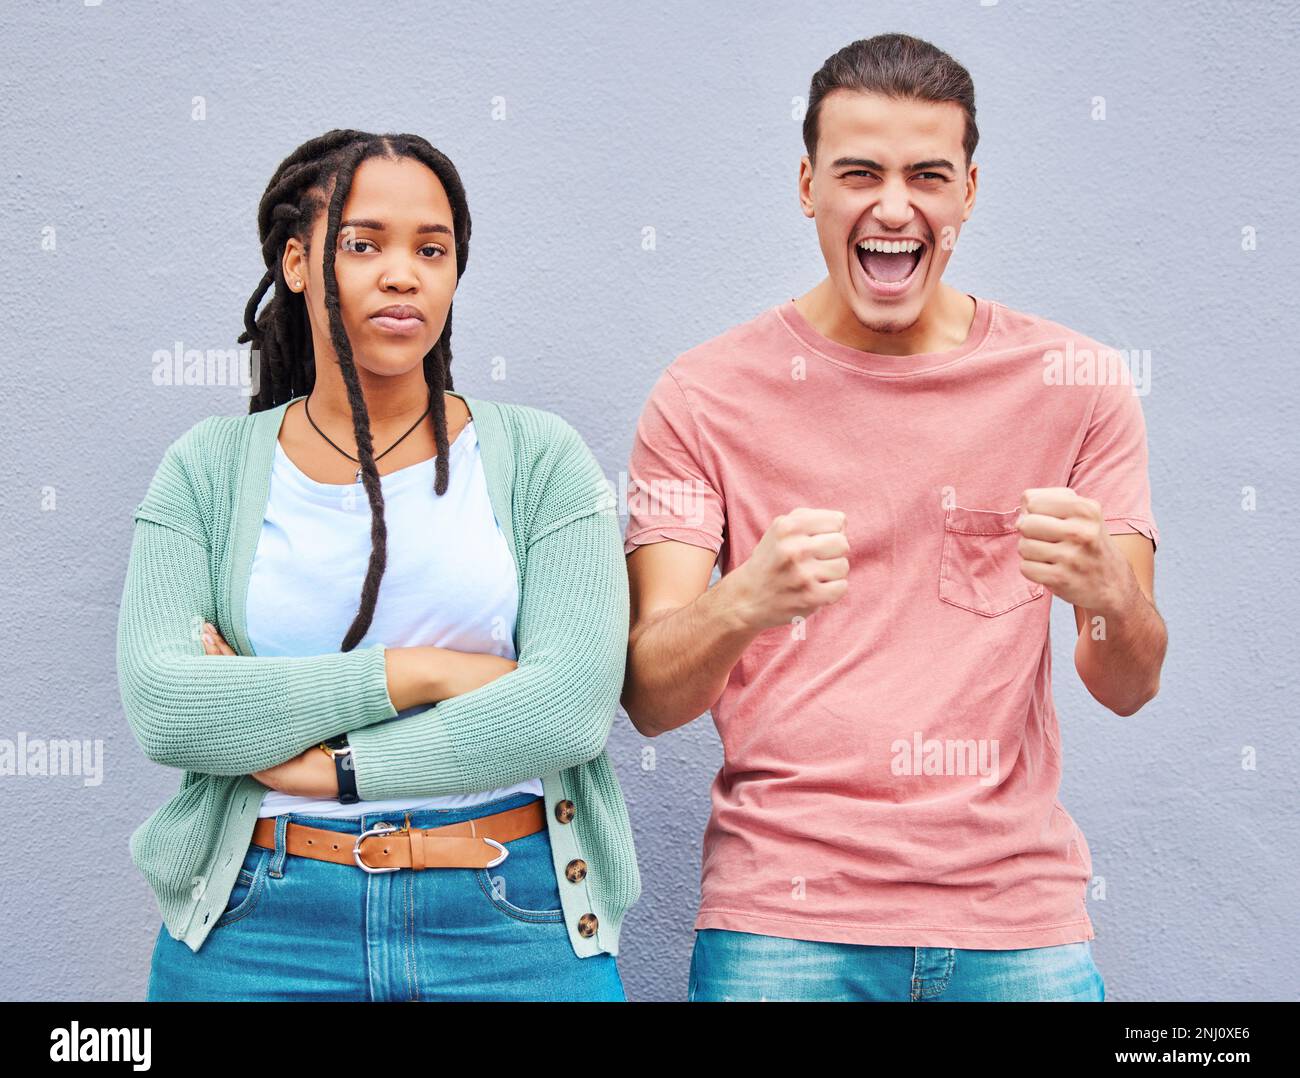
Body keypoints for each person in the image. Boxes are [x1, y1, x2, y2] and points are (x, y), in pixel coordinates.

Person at [621, 34, 1166, 1002]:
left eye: (926, 175)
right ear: (806, 186)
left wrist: (1108, 593)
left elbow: (1127, 679)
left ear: (967, 192)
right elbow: (650, 694)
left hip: (1016, 924)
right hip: (780, 925)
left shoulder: (1075, 385)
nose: (891, 205)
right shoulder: (701, 393)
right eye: (858, 172)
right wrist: (742, 600)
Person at [117, 129, 639, 1001]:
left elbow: (570, 708)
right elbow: (169, 706)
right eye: (363, 245)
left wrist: (330, 767)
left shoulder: (542, 457)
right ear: (294, 262)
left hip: (509, 920)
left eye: (432, 250)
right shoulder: (207, 469)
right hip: (261, 926)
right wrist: (422, 671)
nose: (404, 274)